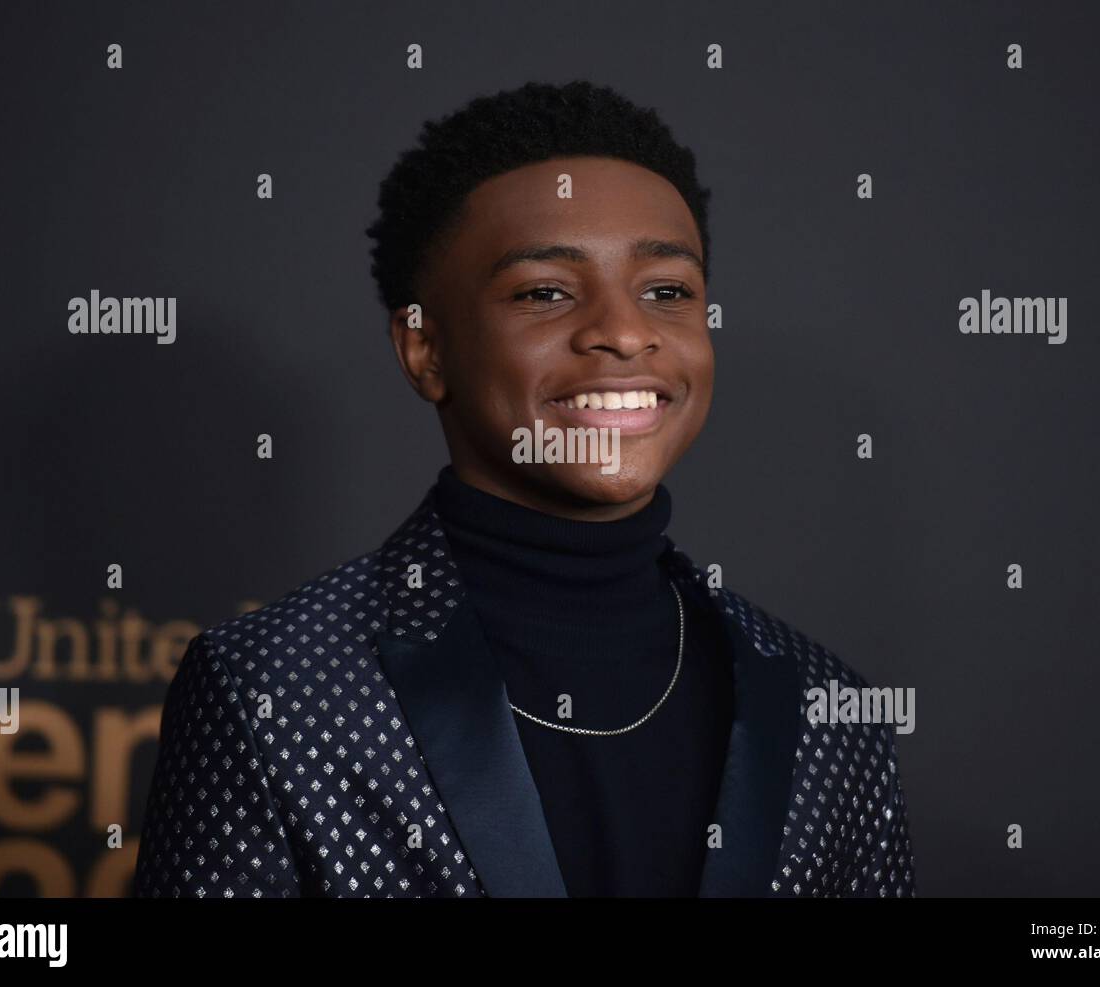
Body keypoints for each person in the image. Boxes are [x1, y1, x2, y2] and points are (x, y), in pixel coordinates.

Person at [134, 79, 915, 898]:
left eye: (667, 291)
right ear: (424, 350)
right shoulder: (272, 689)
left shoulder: (833, 709)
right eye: (546, 292)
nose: (622, 330)